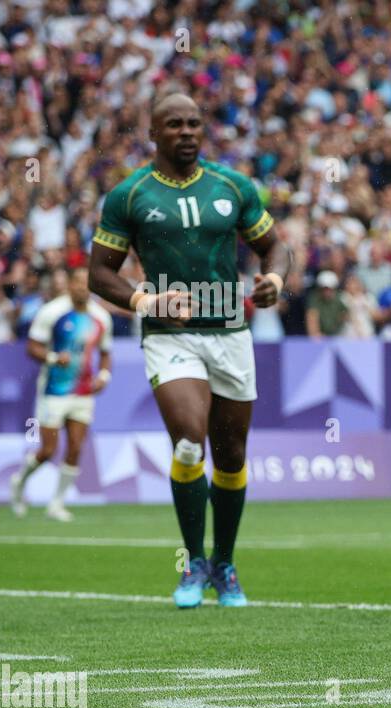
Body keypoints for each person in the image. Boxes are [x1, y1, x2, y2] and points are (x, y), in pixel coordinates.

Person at [88, 91, 289, 608]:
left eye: (194, 124)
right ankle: (192, 561)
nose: (186, 132)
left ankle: (223, 563)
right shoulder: (129, 195)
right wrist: (146, 301)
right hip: (169, 336)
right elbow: (99, 275)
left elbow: (275, 246)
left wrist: (273, 278)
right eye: (174, 124)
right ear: (154, 132)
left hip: (230, 332)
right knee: (187, 440)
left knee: (231, 454)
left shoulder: (233, 186)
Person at [10, 267, 112, 521]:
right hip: (54, 390)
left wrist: (103, 376)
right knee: (48, 450)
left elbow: (107, 352)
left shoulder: (101, 317)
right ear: (69, 285)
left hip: (83, 391)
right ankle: (19, 481)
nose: (82, 287)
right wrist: (54, 357)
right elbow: (32, 348)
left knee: (76, 447)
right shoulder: (52, 312)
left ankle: (56, 504)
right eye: (78, 282)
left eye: (87, 283)